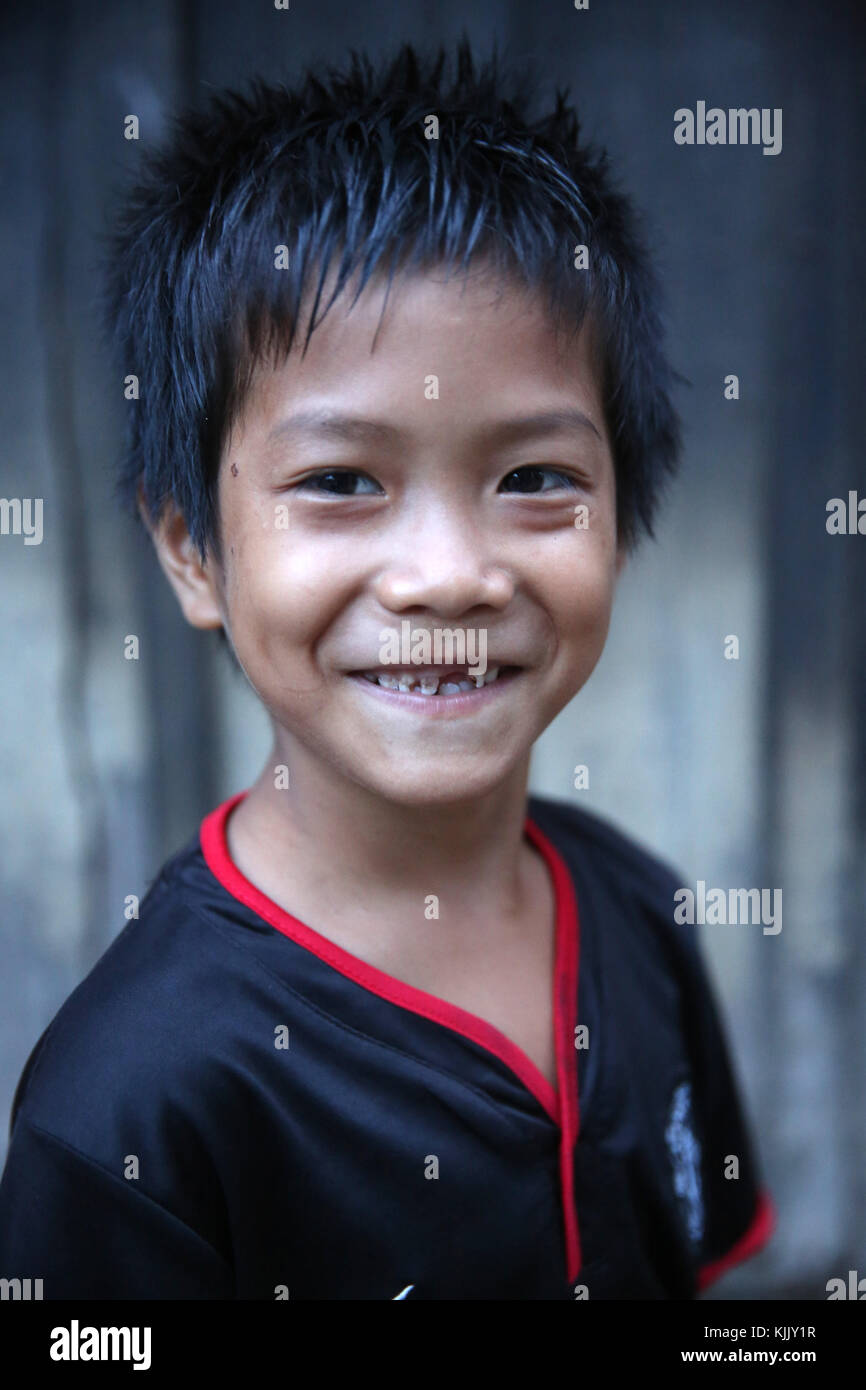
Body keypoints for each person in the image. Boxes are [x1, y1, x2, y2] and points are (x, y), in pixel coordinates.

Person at [0, 39, 774, 1299]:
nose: (446, 575)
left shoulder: (637, 911)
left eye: (533, 479)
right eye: (341, 482)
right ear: (195, 551)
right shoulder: (130, 1105)